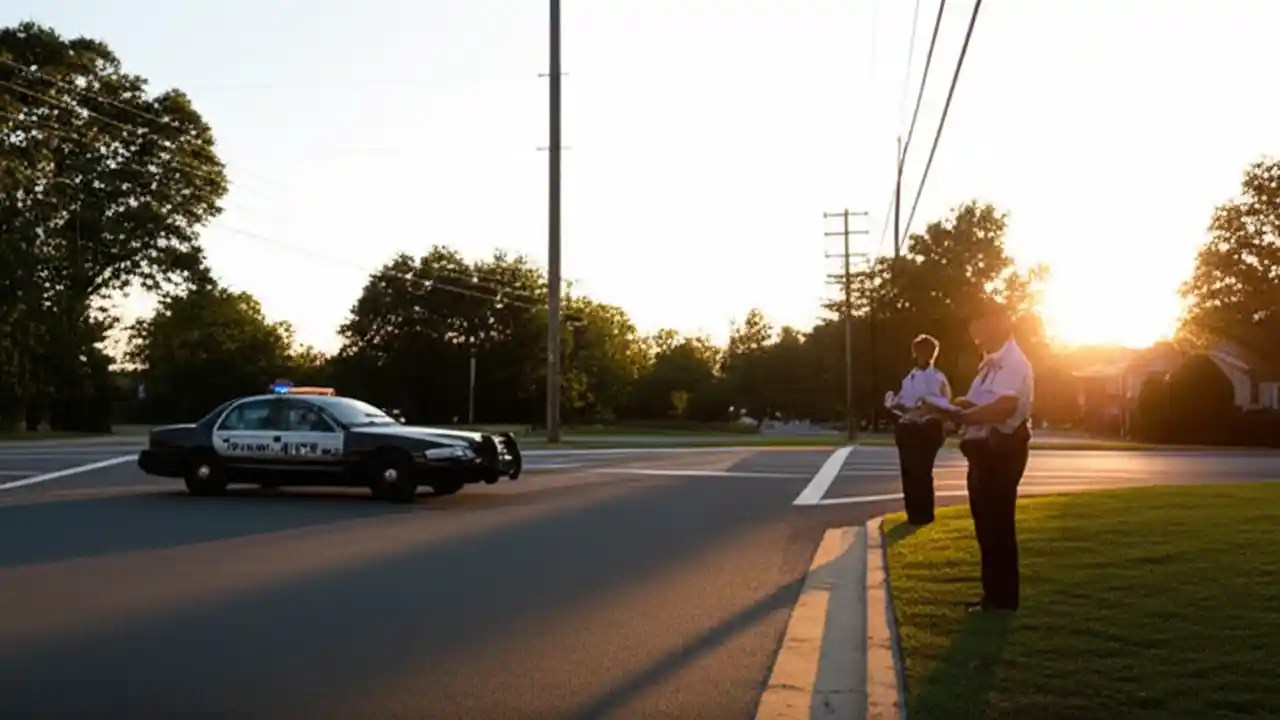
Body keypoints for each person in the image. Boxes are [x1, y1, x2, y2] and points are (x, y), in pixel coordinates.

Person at [930, 301, 1034, 612]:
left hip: (1003, 449)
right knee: (985, 524)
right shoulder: (989, 364)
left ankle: (1002, 599)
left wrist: (964, 417)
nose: (976, 332)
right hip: (982, 450)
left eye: (981, 324)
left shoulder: (1013, 362)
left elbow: (1004, 407)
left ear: (1000, 322)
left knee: (998, 525)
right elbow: (975, 402)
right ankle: (993, 596)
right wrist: (953, 407)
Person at [886, 334, 951, 526]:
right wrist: (894, 403)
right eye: (920, 351)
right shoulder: (910, 377)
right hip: (908, 426)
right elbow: (904, 401)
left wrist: (924, 409)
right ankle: (913, 514)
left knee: (921, 471)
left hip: (927, 427)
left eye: (927, 351)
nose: (923, 355)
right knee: (909, 471)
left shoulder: (937, 377)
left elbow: (943, 403)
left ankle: (923, 515)